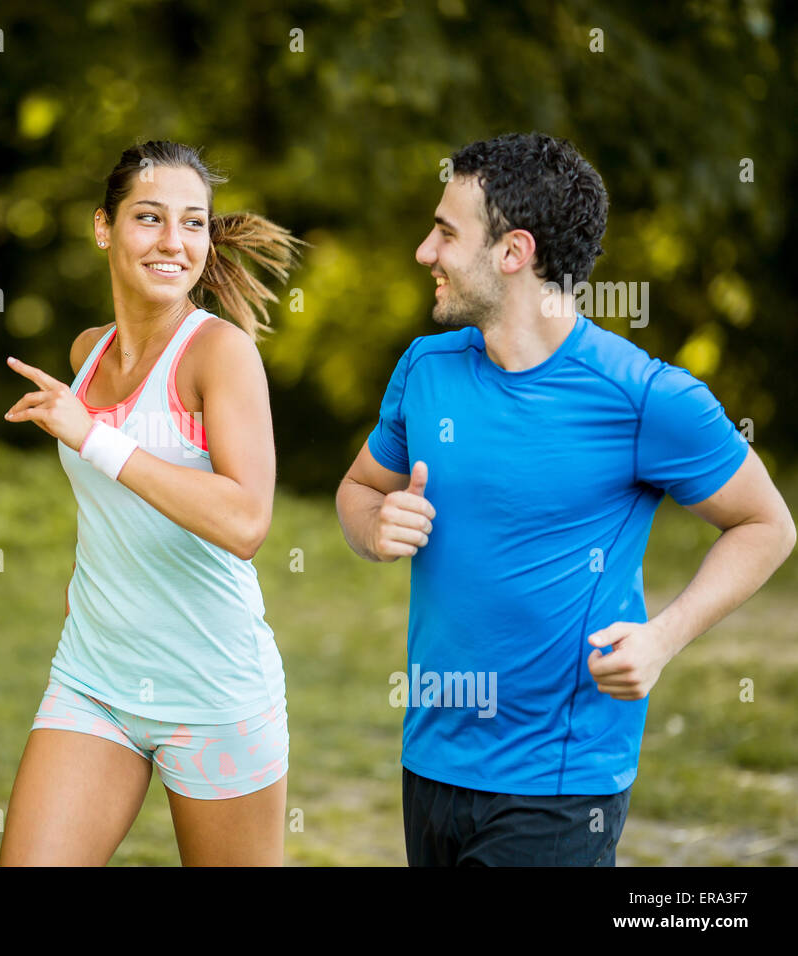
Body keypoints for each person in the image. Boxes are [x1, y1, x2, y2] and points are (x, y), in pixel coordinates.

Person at [336, 132, 796, 866]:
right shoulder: (426, 369)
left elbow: (767, 524)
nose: (425, 252)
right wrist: (375, 525)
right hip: (430, 760)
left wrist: (663, 637)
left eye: (445, 233)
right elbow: (359, 490)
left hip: (558, 783)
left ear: (513, 252)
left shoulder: (644, 397)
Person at [0, 140, 305, 866]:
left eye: (193, 223)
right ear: (104, 227)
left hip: (213, 689)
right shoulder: (86, 354)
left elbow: (246, 521)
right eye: (150, 218)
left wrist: (95, 438)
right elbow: (112, 507)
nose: (174, 241)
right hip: (95, 677)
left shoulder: (219, 354)